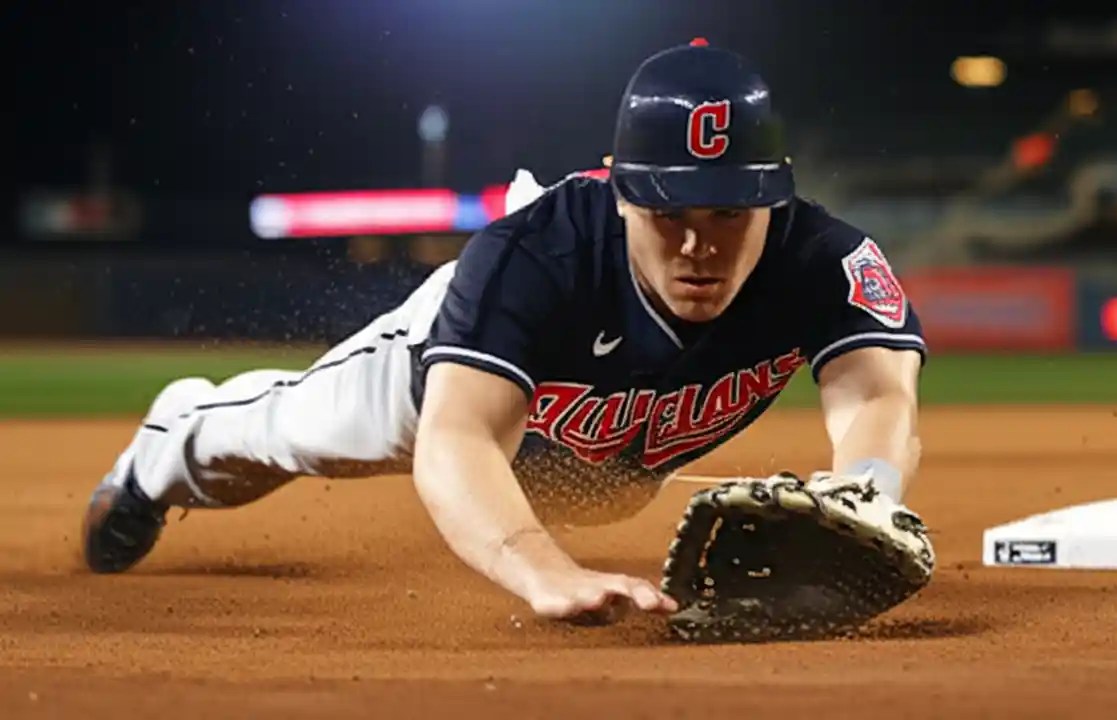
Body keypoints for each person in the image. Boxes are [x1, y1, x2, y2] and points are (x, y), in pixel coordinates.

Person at [83, 39, 928, 625]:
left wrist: (868, 493)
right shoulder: (536, 253)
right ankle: (168, 445)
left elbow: (877, 394)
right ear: (620, 193)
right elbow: (457, 438)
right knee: (289, 434)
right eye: (669, 211)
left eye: (730, 212)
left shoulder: (824, 259)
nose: (698, 244)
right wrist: (540, 568)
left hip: (598, 465)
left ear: (775, 200)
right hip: (444, 386)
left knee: (606, 490)